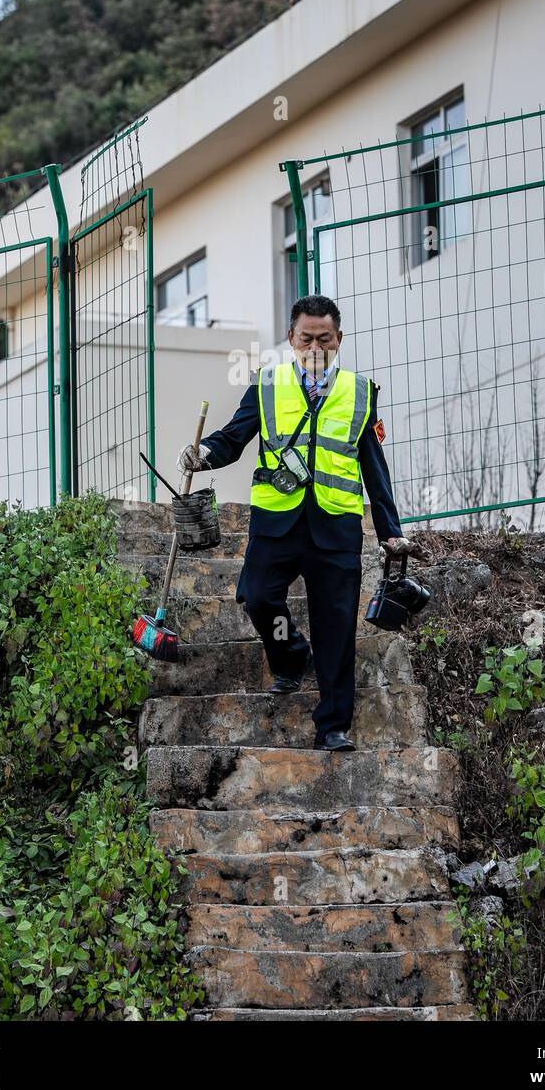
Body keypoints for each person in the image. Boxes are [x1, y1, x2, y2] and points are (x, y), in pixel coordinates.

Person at [177, 294, 411, 751]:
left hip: (336, 527)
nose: (315, 347)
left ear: (339, 340)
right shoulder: (266, 385)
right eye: (306, 338)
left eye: (325, 339)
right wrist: (203, 456)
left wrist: (390, 531)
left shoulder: (361, 393)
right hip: (276, 521)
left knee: (337, 624)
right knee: (256, 596)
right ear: (291, 339)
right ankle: (290, 654)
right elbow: (233, 437)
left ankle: (333, 727)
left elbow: (373, 467)